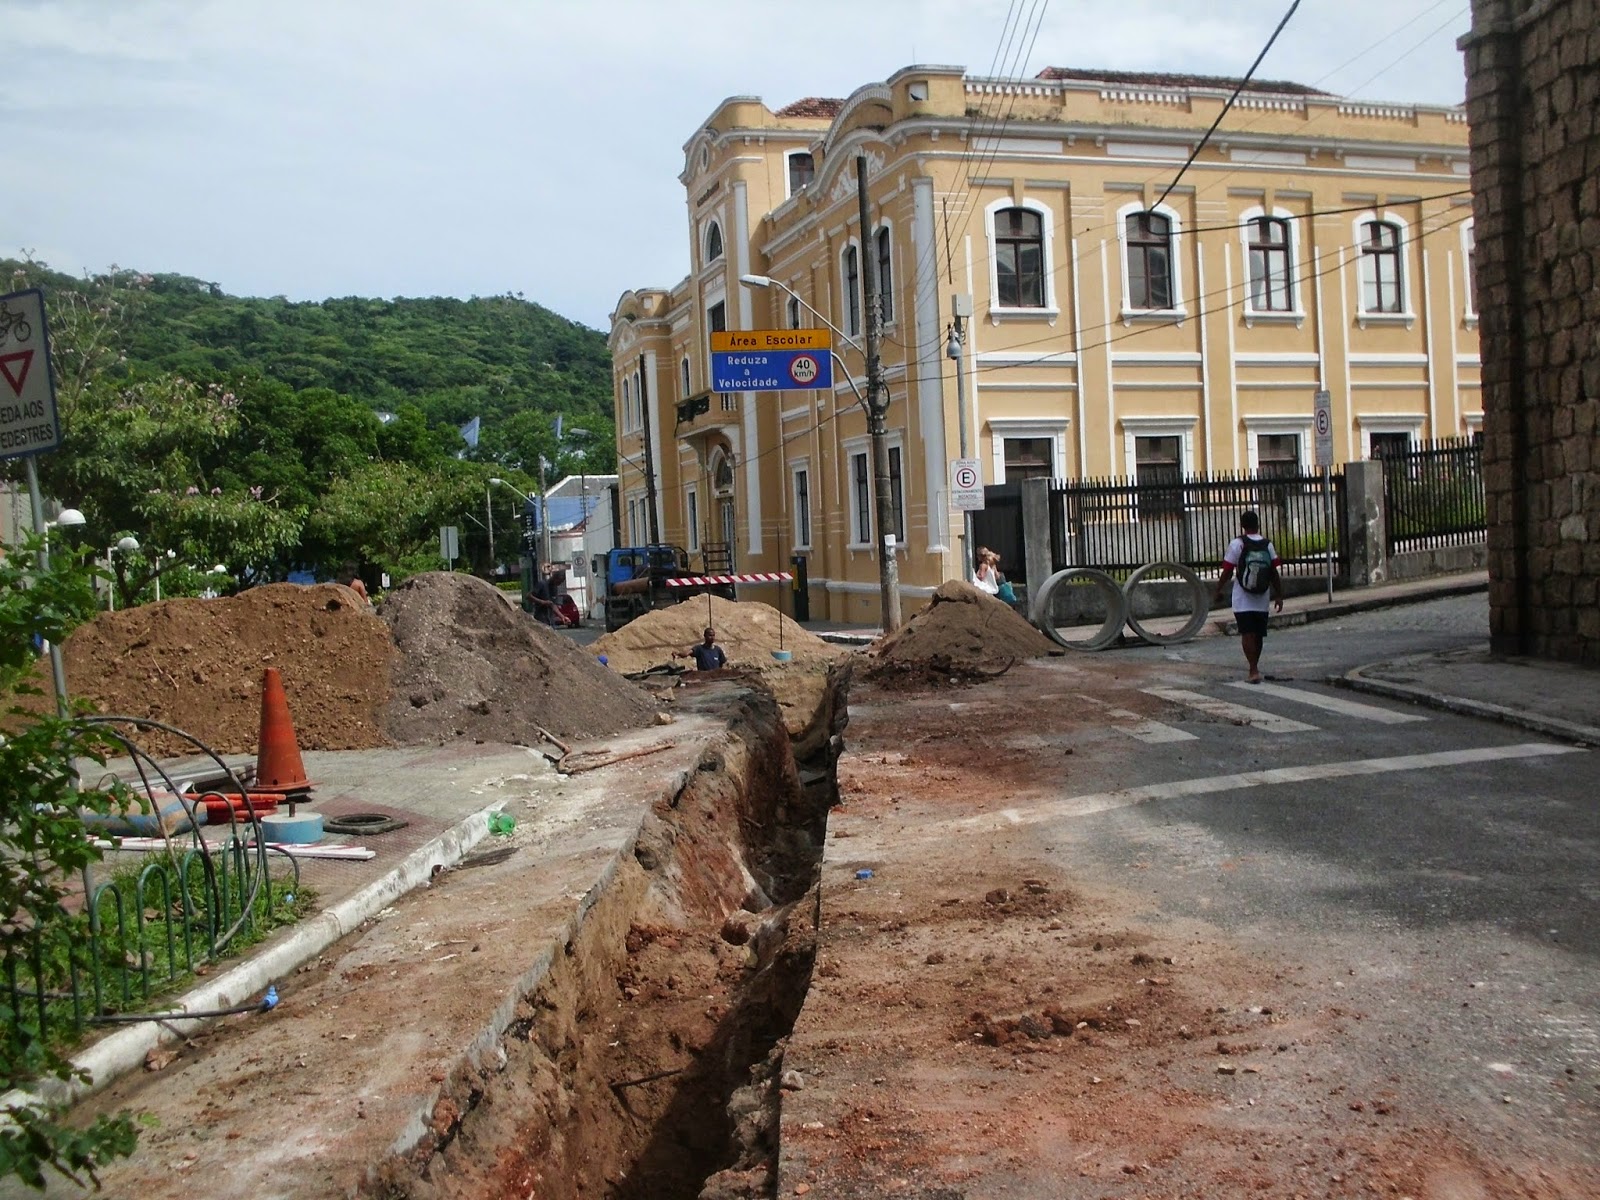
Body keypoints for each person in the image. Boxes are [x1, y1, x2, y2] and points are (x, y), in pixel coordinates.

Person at [1213, 510, 1284, 683]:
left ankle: (1252, 669)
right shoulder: (1267, 544)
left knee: (1247, 633)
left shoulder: (1237, 544)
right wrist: (1279, 595)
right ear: (1258, 524)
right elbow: (1274, 572)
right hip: (1262, 596)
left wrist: (1218, 589)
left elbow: (1228, 570)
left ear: (1243, 526)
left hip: (1242, 597)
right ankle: (1255, 667)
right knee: (1259, 633)